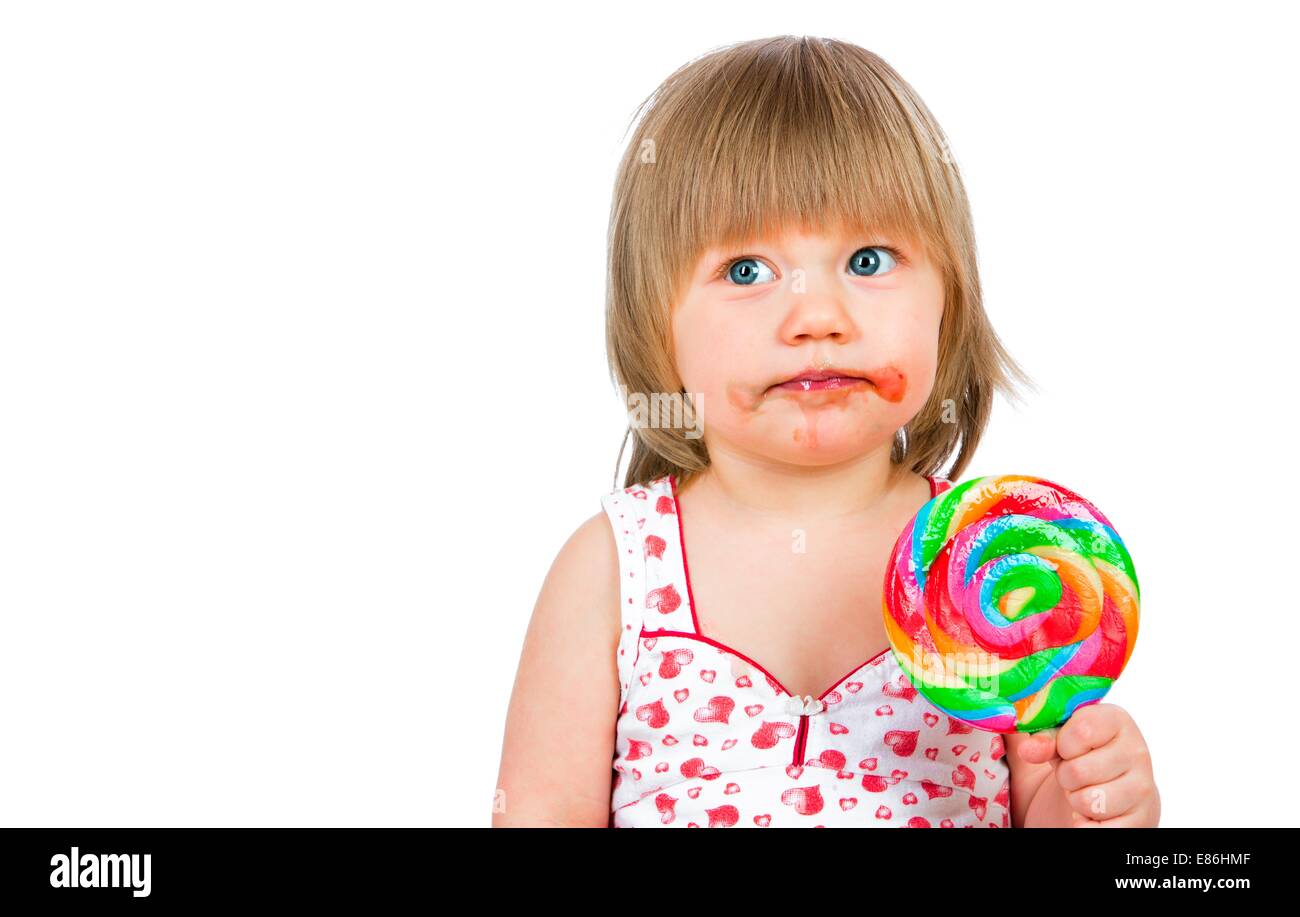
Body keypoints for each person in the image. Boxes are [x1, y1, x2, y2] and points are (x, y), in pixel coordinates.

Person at [493, 35, 1159, 828]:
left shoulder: (989, 565)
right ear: (654, 318)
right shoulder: (614, 571)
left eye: (870, 260)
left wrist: (1079, 804)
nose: (818, 317)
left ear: (951, 298)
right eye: (747, 271)